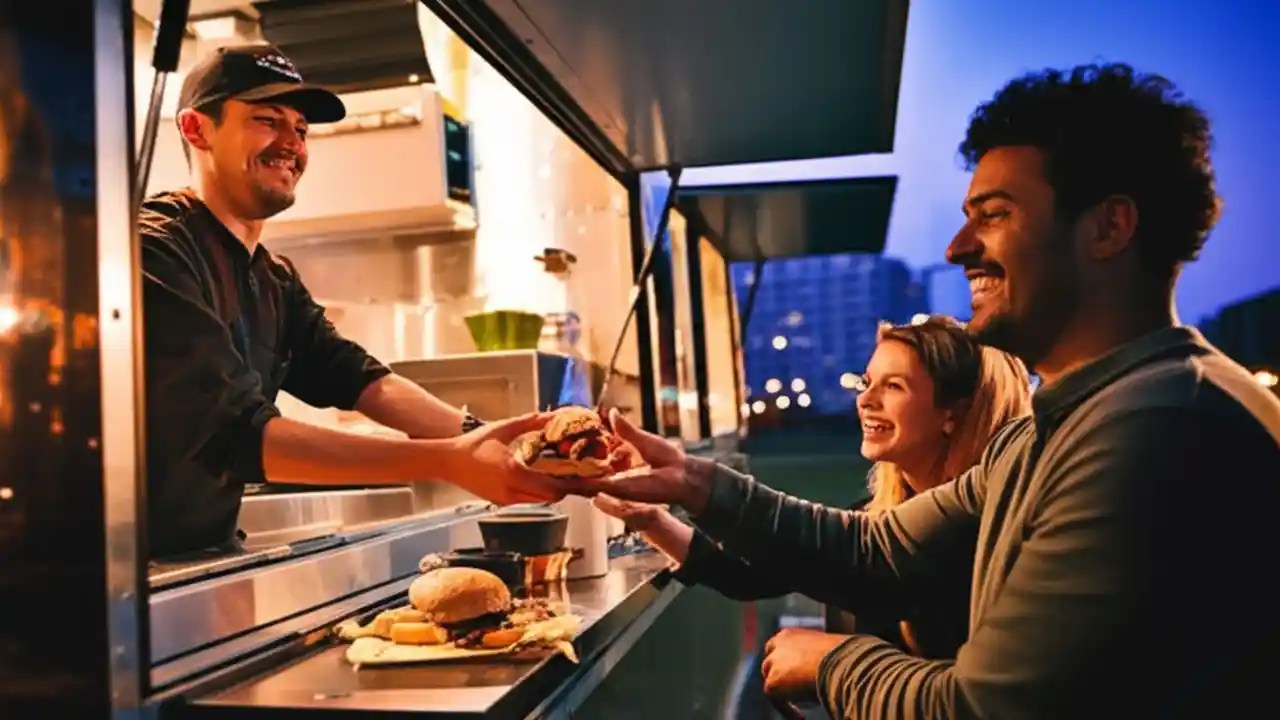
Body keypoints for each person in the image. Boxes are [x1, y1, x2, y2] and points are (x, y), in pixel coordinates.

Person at [588, 62, 1280, 718]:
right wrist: (691, 480)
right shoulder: (1053, 427)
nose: (956, 246)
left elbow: (989, 707)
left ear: (1108, 227)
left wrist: (834, 663)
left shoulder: (1160, 428)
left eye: (995, 214)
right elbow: (876, 550)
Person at [139, 44, 567, 558]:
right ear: (196, 129)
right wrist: (446, 460)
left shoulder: (271, 277)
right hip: (117, 580)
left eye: (300, 129)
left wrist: (492, 438)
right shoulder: (153, 251)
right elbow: (238, 435)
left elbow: (359, 378)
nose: (290, 145)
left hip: (206, 558)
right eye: (265, 120)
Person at [594, 315, 1032, 660]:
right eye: (866, 383)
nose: (865, 399)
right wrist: (649, 517)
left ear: (950, 415)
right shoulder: (877, 516)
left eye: (894, 386)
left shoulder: (971, 539)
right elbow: (752, 572)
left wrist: (831, 662)